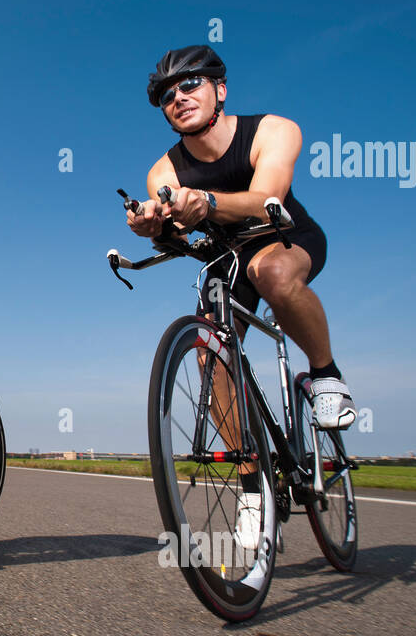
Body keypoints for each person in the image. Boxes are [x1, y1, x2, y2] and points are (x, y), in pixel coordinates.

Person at [127, 45, 355, 548]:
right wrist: (151, 225)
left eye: (191, 85)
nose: (178, 97)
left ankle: (324, 375)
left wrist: (206, 201)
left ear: (220, 90)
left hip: (285, 239)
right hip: (226, 260)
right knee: (212, 354)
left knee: (269, 269)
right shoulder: (164, 170)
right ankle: (254, 482)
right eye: (167, 95)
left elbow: (266, 198)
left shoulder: (273, 130)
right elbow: (171, 228)